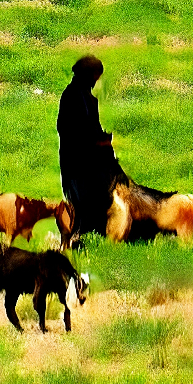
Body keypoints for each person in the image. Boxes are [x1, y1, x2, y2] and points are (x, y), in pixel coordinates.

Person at [57, 55, 127, 243]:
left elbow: (91, 128)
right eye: (95, 76)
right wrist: (96, 142)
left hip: (88, 162)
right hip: (79, 164)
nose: (96, 81)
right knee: (85, 206)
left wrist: (102, 140)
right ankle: (77, 240)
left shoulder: (85, 97)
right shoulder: (73, 96)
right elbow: (70, 131)